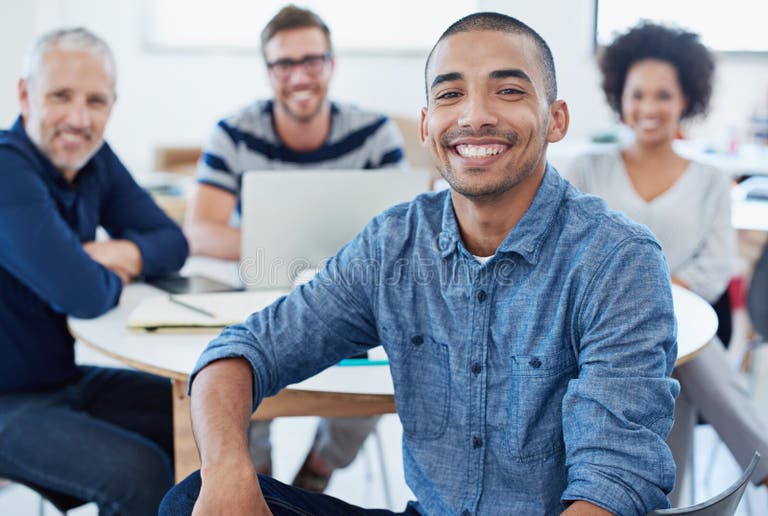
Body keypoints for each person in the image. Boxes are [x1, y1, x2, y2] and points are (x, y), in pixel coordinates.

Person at [161, 12, 679, 515]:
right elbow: (240, 353)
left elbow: (614, 483)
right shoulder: (394, 244)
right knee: (192, 498)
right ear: (428, 126)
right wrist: (227, 468)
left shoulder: (617, 260)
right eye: (450, 94)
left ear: (556, 119)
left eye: (508, 90)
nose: (475, 116)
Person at [183, 5, 405, 492]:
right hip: (260, 295)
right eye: (284, 64)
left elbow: (399, 236)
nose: (299, 76)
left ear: (332, 64)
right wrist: (287, 249)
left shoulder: (374, 134)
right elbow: (200, 231)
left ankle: (316, 472)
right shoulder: (233, 133)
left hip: (349, 303)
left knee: (394, 356)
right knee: (236, 367)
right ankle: (257, 480)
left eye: (312, 60)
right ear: (267, 71)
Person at [564, 22, 768, 504]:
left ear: (685, 100)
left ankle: (658, 504)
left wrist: (653, 297)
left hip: (686, 317)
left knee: (667, 341)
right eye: (638, 94)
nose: (649, 108)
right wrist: (635, 299)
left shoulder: (711, 179)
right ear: (620, 97)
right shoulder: (588, 168)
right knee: (672, 348)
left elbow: (716, 265)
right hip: (599, 325)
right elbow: (569, 254)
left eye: (663, 95)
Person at [0, 27, 189, 514]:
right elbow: (83, 294)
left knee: (207, 413)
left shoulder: (93, 158)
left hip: (60, 381)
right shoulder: (5, 168)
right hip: (7, 398)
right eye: (61, 96)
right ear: (25, 95)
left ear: (112, 105)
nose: (79, 119)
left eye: (96, 101)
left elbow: (173, 243)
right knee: (140, 475)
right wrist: (96, 268)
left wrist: (104, 253)